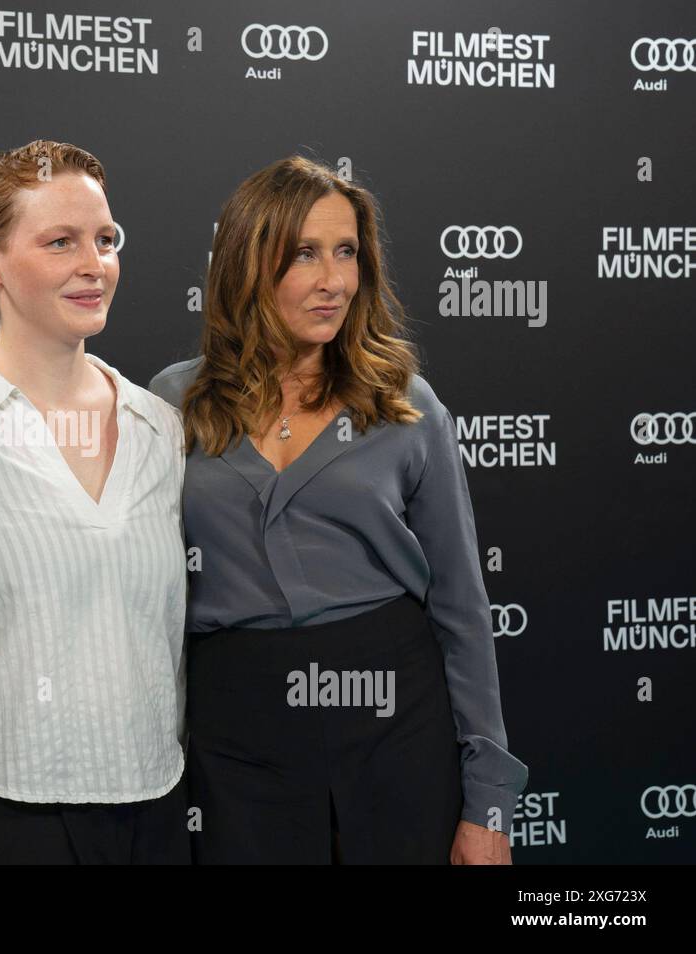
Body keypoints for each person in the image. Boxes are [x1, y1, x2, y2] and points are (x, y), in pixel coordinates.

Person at [150, 156, 528, 865]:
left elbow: (462, 612)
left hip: (395, 727)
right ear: (246, 263)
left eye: (347, 252)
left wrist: (490, 805)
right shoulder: (172, 405)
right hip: (236, 745)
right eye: (304, 255)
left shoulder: (405, 405)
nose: (334, 281)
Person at [0, 140, 190, 864]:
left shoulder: (161, 426)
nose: (94, 264)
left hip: (155, 808)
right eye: (60, 242)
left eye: (104, 239)